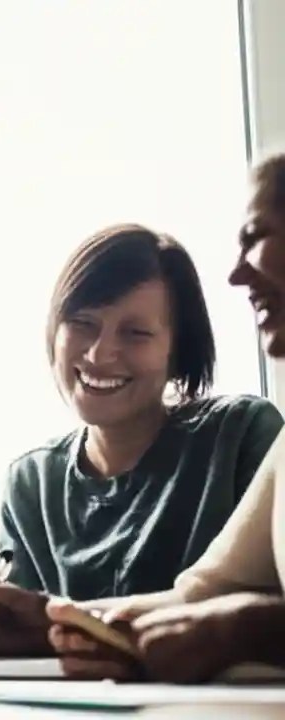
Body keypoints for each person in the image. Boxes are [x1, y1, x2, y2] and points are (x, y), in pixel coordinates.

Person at [0, 223, 282, 656]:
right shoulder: (30, 481)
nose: (99, 354)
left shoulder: (241, 436)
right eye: (82, 324)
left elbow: (260, 612)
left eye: (135, 333)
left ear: (178, 350)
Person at [44, 152, 285, 683]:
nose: (237, 273)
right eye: (83, 323)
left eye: (255, 236)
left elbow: (230, 613)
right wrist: (47, 620)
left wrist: (241, 628)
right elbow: (199, 594)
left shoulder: (245, 432)